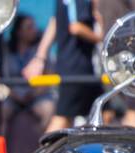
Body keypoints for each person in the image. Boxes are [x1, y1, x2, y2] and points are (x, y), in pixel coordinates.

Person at [25, 0, 105, 130]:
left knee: (105, 112)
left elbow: (55, 22)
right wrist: (101, 37)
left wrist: (40, 56)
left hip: (78, 68)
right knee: (62, 119)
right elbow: (76, 27)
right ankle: (46, 150)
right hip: (76, 68)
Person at [0, 15, 55, 153]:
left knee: (48, 109)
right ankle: (3, 152)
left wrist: (33, 94)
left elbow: (48, 78)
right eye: (29, 27)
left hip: (37, 95)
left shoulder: (40, 51)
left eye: (34, 26)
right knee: (3, 111)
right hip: (13, 95)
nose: (34, 30)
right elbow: (3, 78)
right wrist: (14, 94)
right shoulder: (7, 50)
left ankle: (43, 151)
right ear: (18, 31)